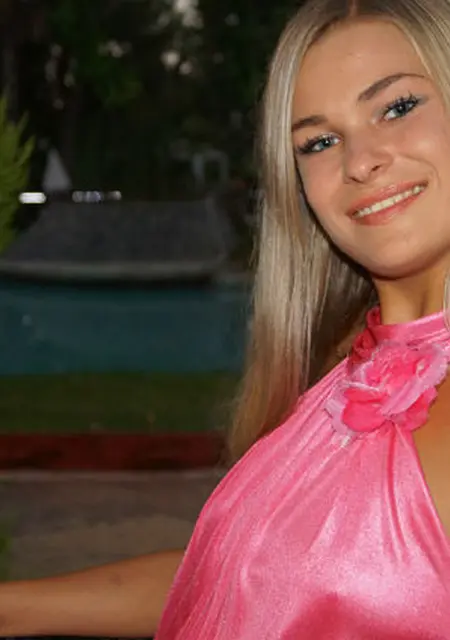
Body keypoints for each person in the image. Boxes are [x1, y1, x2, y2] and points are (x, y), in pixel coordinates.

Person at [3, 0, 450, 636]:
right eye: (319, 142)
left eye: (398, 107)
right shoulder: (342, 369)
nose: (359, 161)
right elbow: (256, 577)